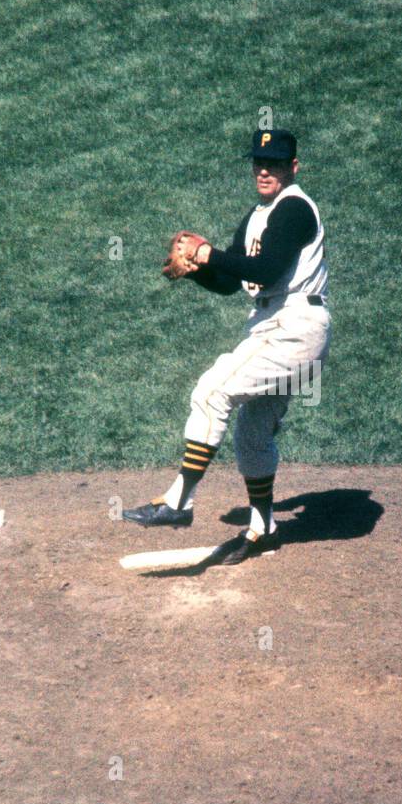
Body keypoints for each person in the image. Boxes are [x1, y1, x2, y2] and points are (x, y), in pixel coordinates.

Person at [123, 128, 330, 564]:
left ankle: (178, 502)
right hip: (277, 326)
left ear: (293, 167)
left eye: (274, 163)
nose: (264, 169)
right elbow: (233, 279)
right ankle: (264, 528)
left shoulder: (293, 208)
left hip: (293, 326)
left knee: (212, 391)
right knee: (252, 434)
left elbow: (268, 268)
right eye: (259, 161)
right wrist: (199, 269)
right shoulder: (258, 214)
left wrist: (208, 252)